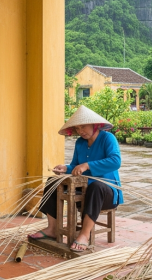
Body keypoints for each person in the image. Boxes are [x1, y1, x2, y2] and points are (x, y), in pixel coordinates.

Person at [28, 106, 124, 252]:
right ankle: (52, 229)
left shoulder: (108, 138)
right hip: (83, 189)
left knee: (96, 187)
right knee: (53, 182)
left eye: (83, 127)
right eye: (78, 128)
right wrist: (65, 168)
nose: (81, 131)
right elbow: (75, 165)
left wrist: (87, 165)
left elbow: (116, 161)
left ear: (94, 124)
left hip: (107, 193)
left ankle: (84, 235)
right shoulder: (80, 142)